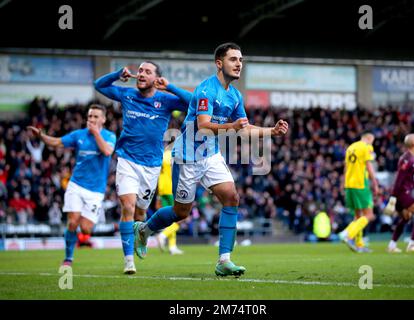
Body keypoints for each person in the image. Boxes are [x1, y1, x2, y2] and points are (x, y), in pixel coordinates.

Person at [133, 42, 288, 277]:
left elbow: (243, 129)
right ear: (219, 63)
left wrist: (271, 132)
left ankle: (224, 260)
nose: (238, 64)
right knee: (181, 212)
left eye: (241, 60)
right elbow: (204, 126)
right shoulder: (207, 89)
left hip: (211, 155)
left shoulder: (235, 95)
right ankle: (144, 230)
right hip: (187, 157)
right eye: (233, 59)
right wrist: (232, 126)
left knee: (231, 197)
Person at [94, 61, 191, 274]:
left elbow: (194, 102)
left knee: (140, 213)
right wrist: (117, 75)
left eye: (147, 71)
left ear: (156, 78)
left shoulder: (165, 100)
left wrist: (170, 87)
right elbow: (99, 85)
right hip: (127, 160)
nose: (141, 74)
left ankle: (142, 235)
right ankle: (129, 261)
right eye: (140, 70)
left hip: (151, 166)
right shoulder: (127, 94)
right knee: (127, 207)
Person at [27, 104, 116, 266]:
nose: (92, 119)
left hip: (96, 191)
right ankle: (68, 258)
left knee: (86, 228)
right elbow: (57, 142)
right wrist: (41, 136)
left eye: (96, 116)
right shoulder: (79, 135)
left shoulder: (110, 136)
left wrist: (96, 133)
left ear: (103, 119)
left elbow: (107, 152)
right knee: (72, 222)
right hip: (76, 185)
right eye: (90, 116)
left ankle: (82, 230)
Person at [385, 134, 414, 253]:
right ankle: (412, 244)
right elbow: (399, 178)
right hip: (402, 194)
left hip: (403, 193)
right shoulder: (406, 159)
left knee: (406, 218)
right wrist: (393, 197)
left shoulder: (412, 158)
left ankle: (392, 245)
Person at [339, 132, 379, 252]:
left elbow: (346, 167)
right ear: (369, 138)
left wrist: (343, 184)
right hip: (360, 184)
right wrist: (375, 183)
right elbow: (369, 166)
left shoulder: (350, 147)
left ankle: (359, 244)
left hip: (349, 184)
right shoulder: (366, 147)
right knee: (370, 215)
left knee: (358, 216)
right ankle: (347, 233)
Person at [155, 146, 184, 255]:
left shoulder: (161, 155)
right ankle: (163, 235)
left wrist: (158, 194)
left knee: (170, 219)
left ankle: (172, 247)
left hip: (162, 189)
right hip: (172, 188)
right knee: (180, 217)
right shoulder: (174, 155)